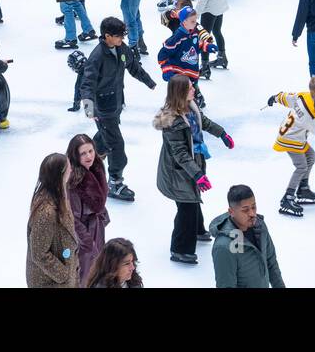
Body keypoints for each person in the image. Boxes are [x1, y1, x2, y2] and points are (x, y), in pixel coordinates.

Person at [155, 75, 234, 265]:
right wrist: (197, 174)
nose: (194, 90)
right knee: (186, 206)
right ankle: (180, 249)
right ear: (180, 92)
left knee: (192, 199)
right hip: (177, 171)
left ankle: (197, 230)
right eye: (190, 87)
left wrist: (222, 133)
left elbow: (203, 122)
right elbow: (180, 154)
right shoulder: (172, 120)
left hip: (192, 164)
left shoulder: (190, 106)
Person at [81, 16, 157, 202]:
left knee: (104, 137)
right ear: (107, 36)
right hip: (103, 108)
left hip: (116, 103)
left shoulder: (122, 49)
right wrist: (89, 108)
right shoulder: (97, 56)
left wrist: (149, 82)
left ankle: (84, 163)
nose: (121, 39)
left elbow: (133, 67)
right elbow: (87, 83)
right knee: (116, 145)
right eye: (118, 36)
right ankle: (115, 182)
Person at [268, 75, 315, 217]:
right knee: (301, 167)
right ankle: (288, 197)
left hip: (293, 135)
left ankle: (303, 188)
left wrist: (275, 97)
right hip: (291, 139)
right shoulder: (311, 113)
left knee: (311, 156)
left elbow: (286, 97)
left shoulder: (303, 96)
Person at [210, 185, 286, 288]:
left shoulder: (260, 226)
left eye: (254, 207)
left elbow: (271, 263)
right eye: (245, 210)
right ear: (231, 212)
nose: (252, 213)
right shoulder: (225, 246)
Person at [26, 153, 80, 288]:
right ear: (61, 174)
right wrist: (63, 274)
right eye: (68, 167)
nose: (71, 169)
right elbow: (38, 252)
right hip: (51, 282)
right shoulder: (46, 212)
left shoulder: (56, 194)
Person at [65, 133, 110, 286]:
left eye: (90, 151)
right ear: (75, 156)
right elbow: (72, 217)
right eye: (83, 153)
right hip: (83, 238)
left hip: (97, 229)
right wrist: (87, 242)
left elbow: (100, 200)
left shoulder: (97, 168)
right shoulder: (73, 180)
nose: (89, 156)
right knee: (84, 274)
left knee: (96, 270)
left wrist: (103, 217)